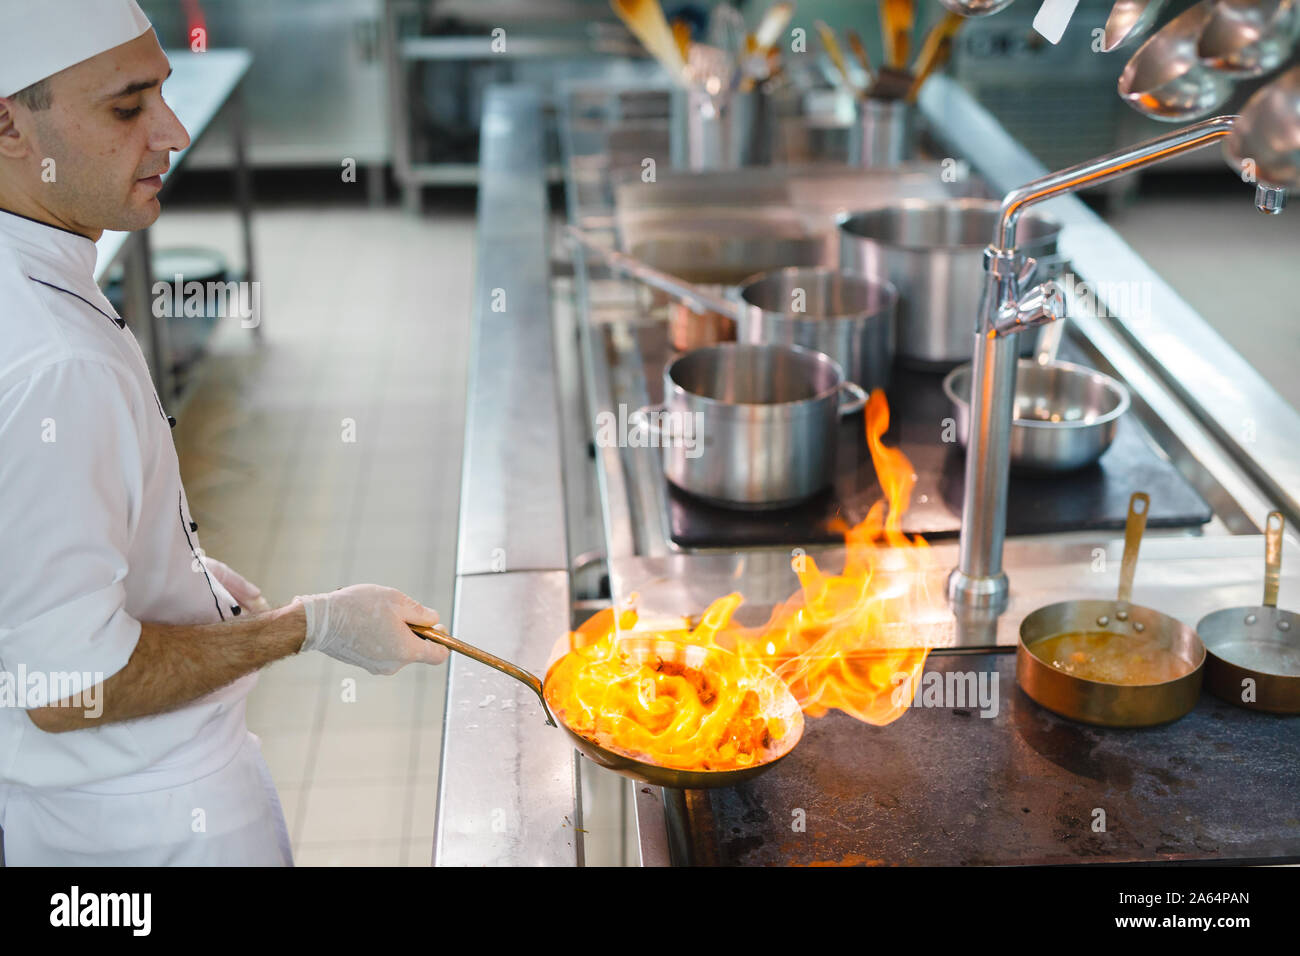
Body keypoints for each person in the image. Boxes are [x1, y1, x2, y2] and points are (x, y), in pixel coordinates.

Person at [0, 0, 447, 866]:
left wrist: (169, 572)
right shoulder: (59, 366)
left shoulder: (29, 276)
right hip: (142, 826)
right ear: (9, 124)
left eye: (162, 94)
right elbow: (65, 687)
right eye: (127, 109)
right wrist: (306, 628)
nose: (169, 132)